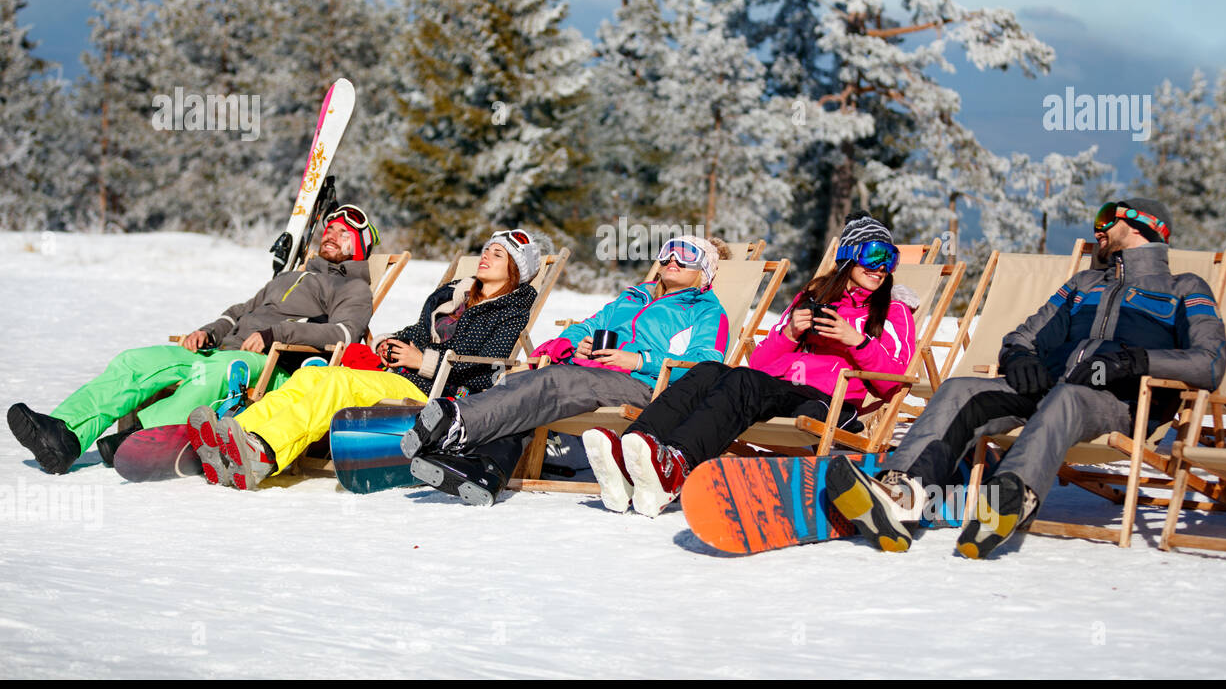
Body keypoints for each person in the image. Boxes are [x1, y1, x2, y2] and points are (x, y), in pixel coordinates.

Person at [826, 198, 1226, 559]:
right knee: (961, 388)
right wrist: (1018, 356)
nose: (1098, 229)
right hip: (1051, 391)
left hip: (1120, 404)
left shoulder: (1185, 289)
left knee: (1068, 398)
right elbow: (1023, 335)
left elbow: (1208, 363)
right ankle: (901, 495)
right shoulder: (1083, 285)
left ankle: (1007, 498)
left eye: (1107, 217)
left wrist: (1134, 361)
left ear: (1145, 226)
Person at [584, 213, 920, 517]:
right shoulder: (813, 298)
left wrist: (856, 341)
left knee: (743, 381)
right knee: (706, 372)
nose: (881, 267)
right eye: (873, 255)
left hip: (828, 403)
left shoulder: (893, 311)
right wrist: (789, 333)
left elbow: (894, 383)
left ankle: (677, 465)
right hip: (779, 391)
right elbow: (761, 362)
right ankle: (630, 455)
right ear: (848, 257)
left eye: (889, 259)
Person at [8, 204, 379, 476]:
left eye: (341, 232)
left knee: (214, 373)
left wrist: (275, 334)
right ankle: (65, 433)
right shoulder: (289, 278)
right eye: (328, 229)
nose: (329, 234)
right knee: (136, 360)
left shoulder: (353, 288)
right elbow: (237, 311)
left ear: (359, 245)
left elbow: (343, 334)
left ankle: (141, 436)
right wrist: (209, 331)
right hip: (225, 350)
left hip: (272, 364)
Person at [188, 229, 541, 490]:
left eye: (497, 254)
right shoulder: (455, 297)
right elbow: (418, 331)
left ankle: (263, 449)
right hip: (407, 375)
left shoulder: (510, 310)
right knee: (315, 378)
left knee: (339, 383)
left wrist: (423, 361)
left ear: (514, 269)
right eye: (486, 250)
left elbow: (485, 362)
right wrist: (392, 343)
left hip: (440, 393)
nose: (485, 256)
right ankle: (237, 435)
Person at [401, 236, 732, 506]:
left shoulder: (707, 311)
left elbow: (707, 365)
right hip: (593, 373)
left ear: (704, 271)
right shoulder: (634, 296)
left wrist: (639, 360)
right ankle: (486, 470)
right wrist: (577, 344)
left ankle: (458, 422)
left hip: (646, 385)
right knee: (524, 382)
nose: (672, 260)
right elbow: (586, 326)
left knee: (555, 383)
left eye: (686, 256)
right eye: (667, 253)